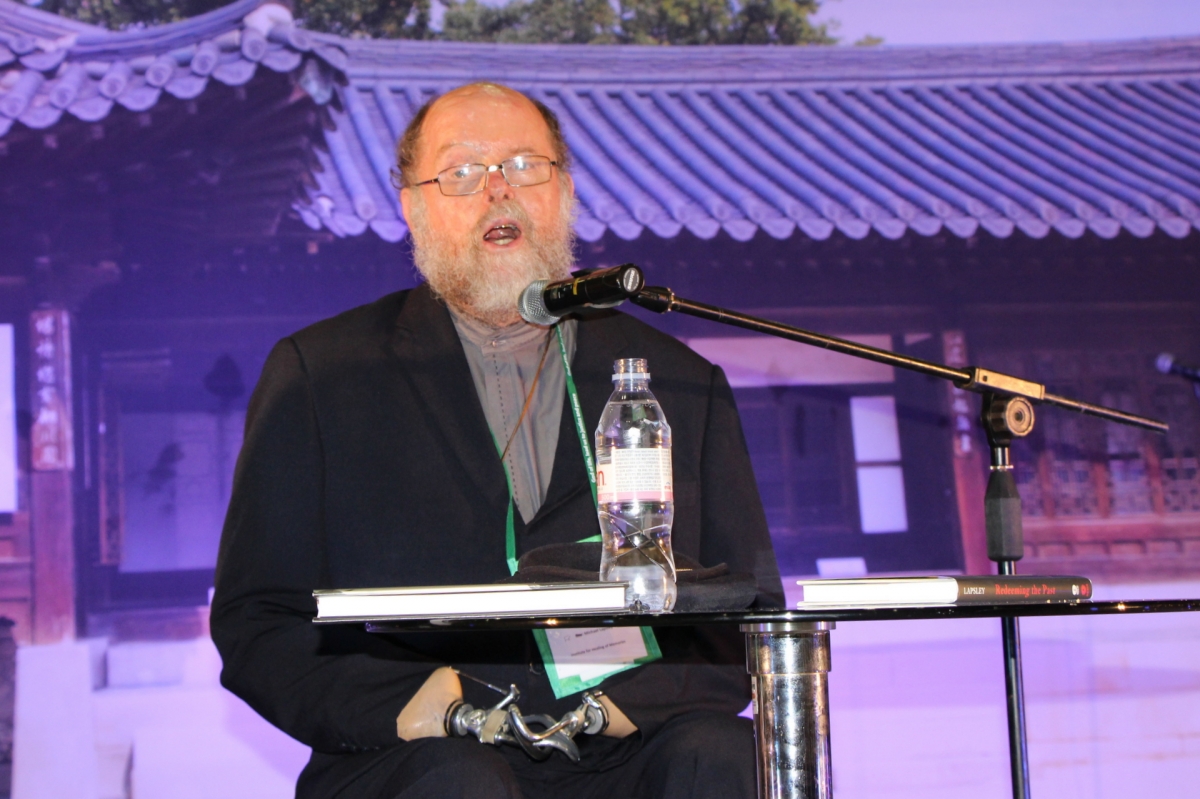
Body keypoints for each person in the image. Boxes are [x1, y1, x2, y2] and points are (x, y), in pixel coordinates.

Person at [211, 81, 783, 799]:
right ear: (412, 206)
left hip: (626, 741)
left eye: (523, 166)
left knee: (726, 754)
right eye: (461, 172)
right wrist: (419, 703)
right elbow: (259, 618)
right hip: (420, 751)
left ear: (564, 190)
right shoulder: (320, 374)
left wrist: (623, 706)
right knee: (461, 782)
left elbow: (747, 610)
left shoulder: (678, 379)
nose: (498, 189)